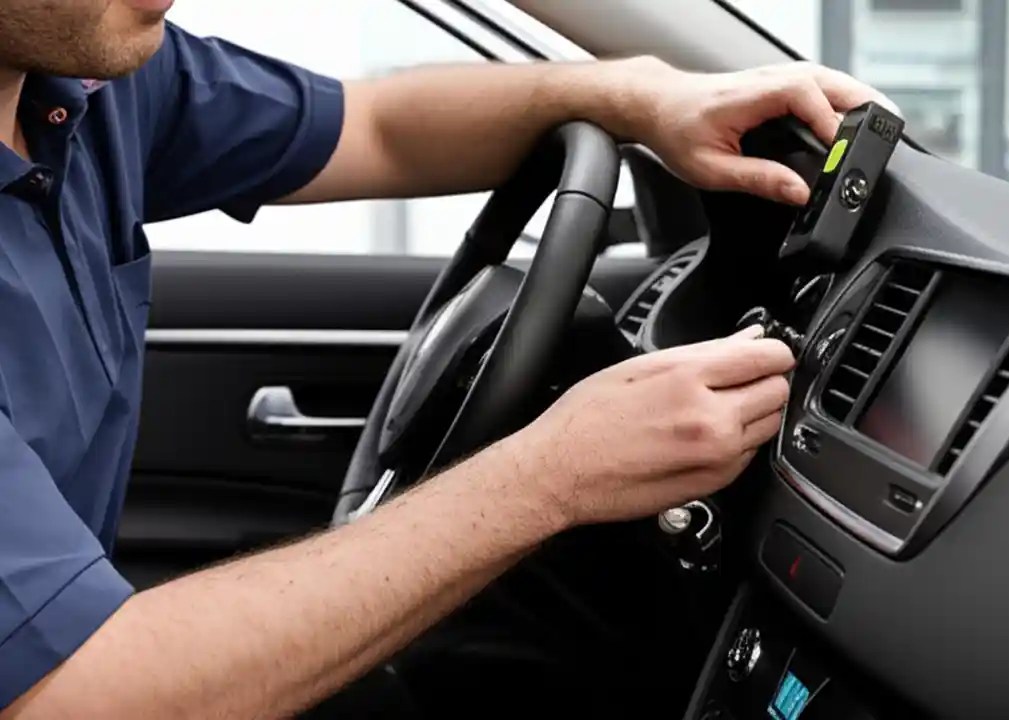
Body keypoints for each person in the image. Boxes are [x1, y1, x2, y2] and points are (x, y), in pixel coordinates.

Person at [0, 1, 892, 717]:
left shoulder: (81, 83)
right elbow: (79, 692)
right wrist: (557, 470)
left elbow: (379, 127)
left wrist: (645, 98)